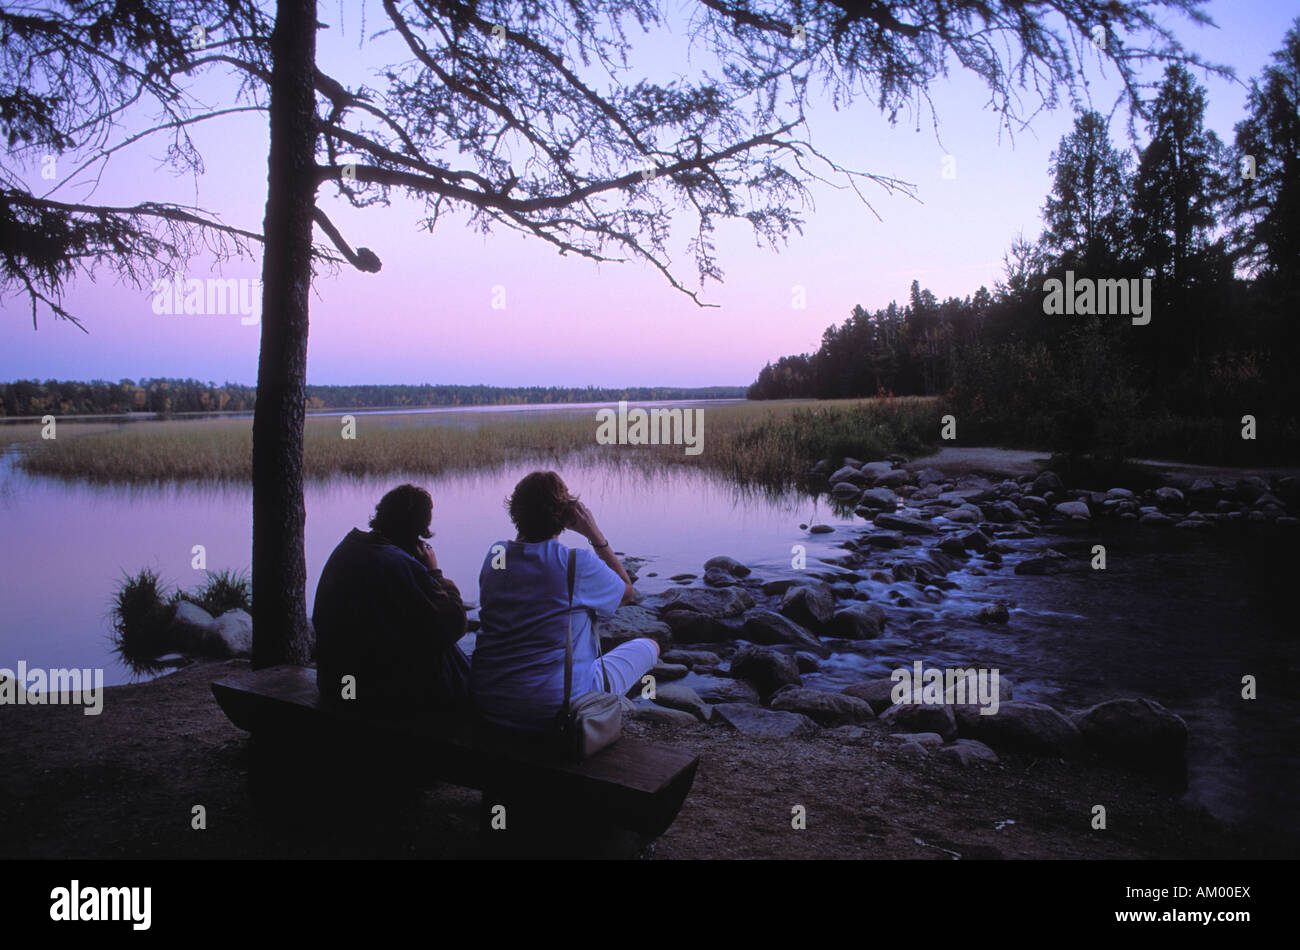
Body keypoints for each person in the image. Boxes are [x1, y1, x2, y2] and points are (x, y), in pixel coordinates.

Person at [470, 470, 660, 732]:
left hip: (489, 701)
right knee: (649, 646)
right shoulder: (575, 563)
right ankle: (615, 709)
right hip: (552, 710)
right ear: (566, 514)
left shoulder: (496, 555)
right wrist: (595, 535)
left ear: (515, 512)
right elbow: (626, 593)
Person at [313, 484, 469, 716]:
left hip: (336, 683)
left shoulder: (346, 548)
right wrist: (434, 573)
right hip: (378, 696)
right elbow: (454, 625)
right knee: (454, 658)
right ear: (416, 531)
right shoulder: (397, 563)